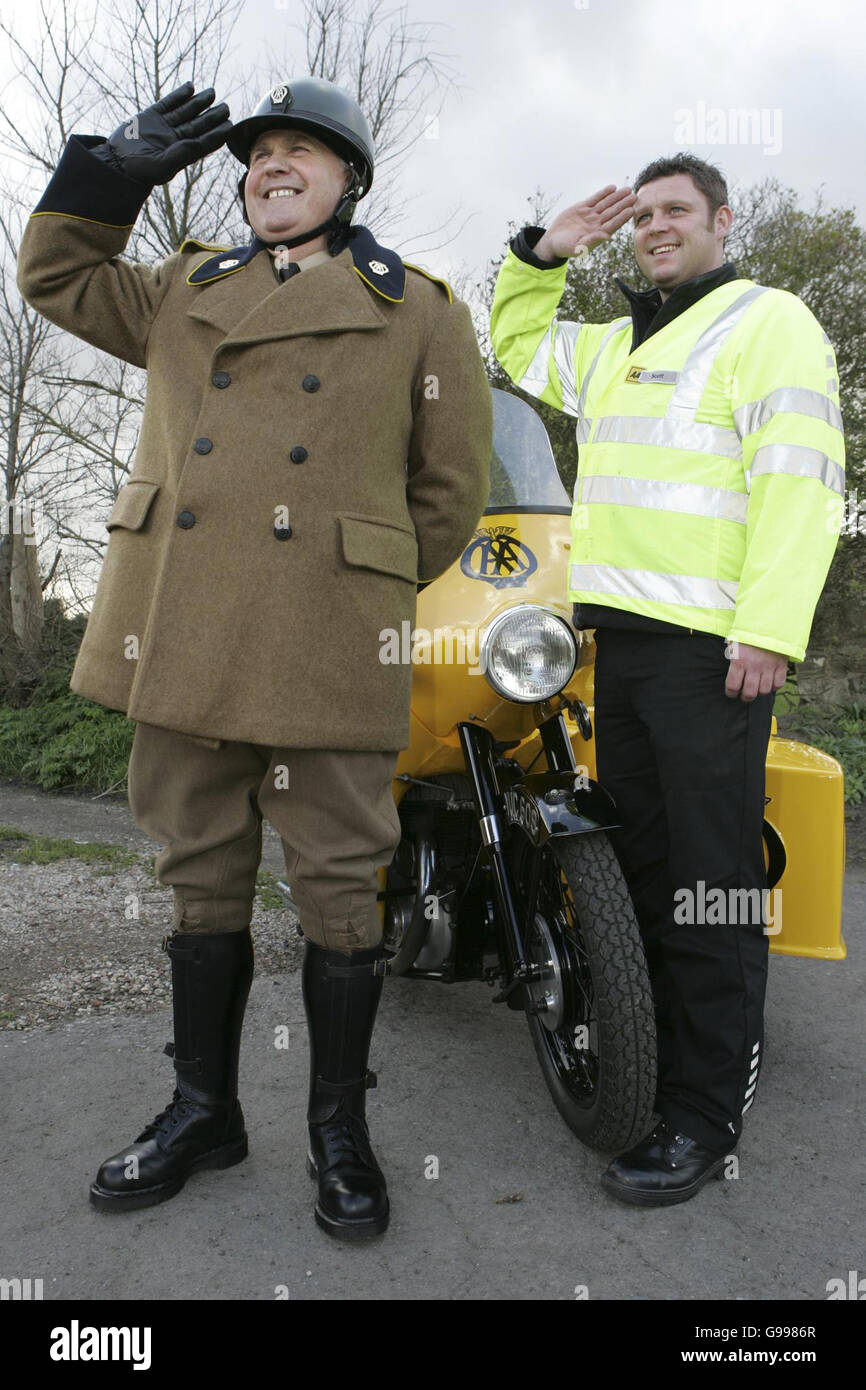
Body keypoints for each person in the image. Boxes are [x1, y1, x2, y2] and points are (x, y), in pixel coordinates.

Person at [17, 78, 492, 1239]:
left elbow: (447, 491)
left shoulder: (419, 308)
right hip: (182, 625)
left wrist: (346, 583)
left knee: (337, 887)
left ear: (350, 180)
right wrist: (112, 172)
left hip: (328, 642)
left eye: (303, 152)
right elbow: (55, 279)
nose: (272, 166)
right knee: (200, 870)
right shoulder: (186, 285)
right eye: (258, 154)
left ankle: (339, 1130)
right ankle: (201, 1111)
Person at [490, 153, 843, 1206]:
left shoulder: (765, 320)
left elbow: (801, 479)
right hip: (621, 647)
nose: (653, 227)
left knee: (709, 882)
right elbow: (511, 346)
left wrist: (768, 629)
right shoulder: (609, 346)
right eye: (639, 215)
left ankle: (702, 1116)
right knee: (645, 871)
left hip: (712, 652)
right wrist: (540, 254)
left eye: (674, 211)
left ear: (720, 223)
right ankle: (654, 1066)